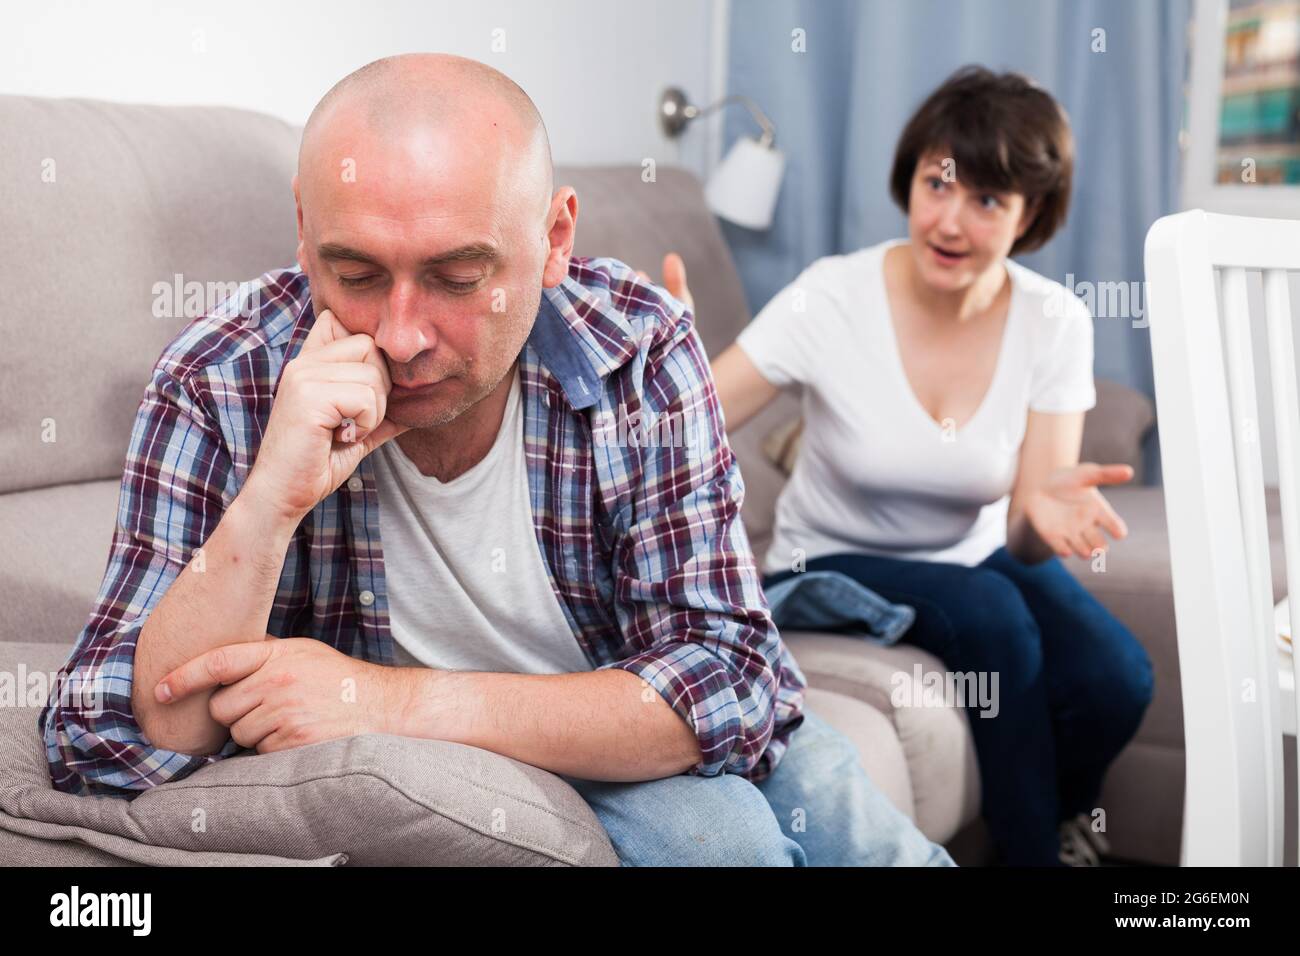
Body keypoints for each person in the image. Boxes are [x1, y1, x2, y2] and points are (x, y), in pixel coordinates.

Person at [38, 53, 953, 867]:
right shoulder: (221, 377)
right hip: (536, 753)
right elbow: (111, 741)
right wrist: (271, 503)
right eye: (354, 274)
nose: (400, 338)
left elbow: (731, 680)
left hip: (607, 703)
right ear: (304, 229)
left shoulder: (637, 347)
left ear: (555, 241)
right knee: (718, 841)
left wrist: (389, 702)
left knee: (847, 815)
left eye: (457, 279)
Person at [665, 66, 1154, 866]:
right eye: (938, 184)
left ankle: (1063, 816)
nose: (950, 221)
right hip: (818, 559)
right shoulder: (833, 297)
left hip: (972, 555)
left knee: (1118, 675)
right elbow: (690, 418)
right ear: (912, 178)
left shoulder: (1053, 321)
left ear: (1031, 214)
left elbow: (1027, 529)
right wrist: (667, 356)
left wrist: (1044, 520)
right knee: (994, 615)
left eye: (987, 200)